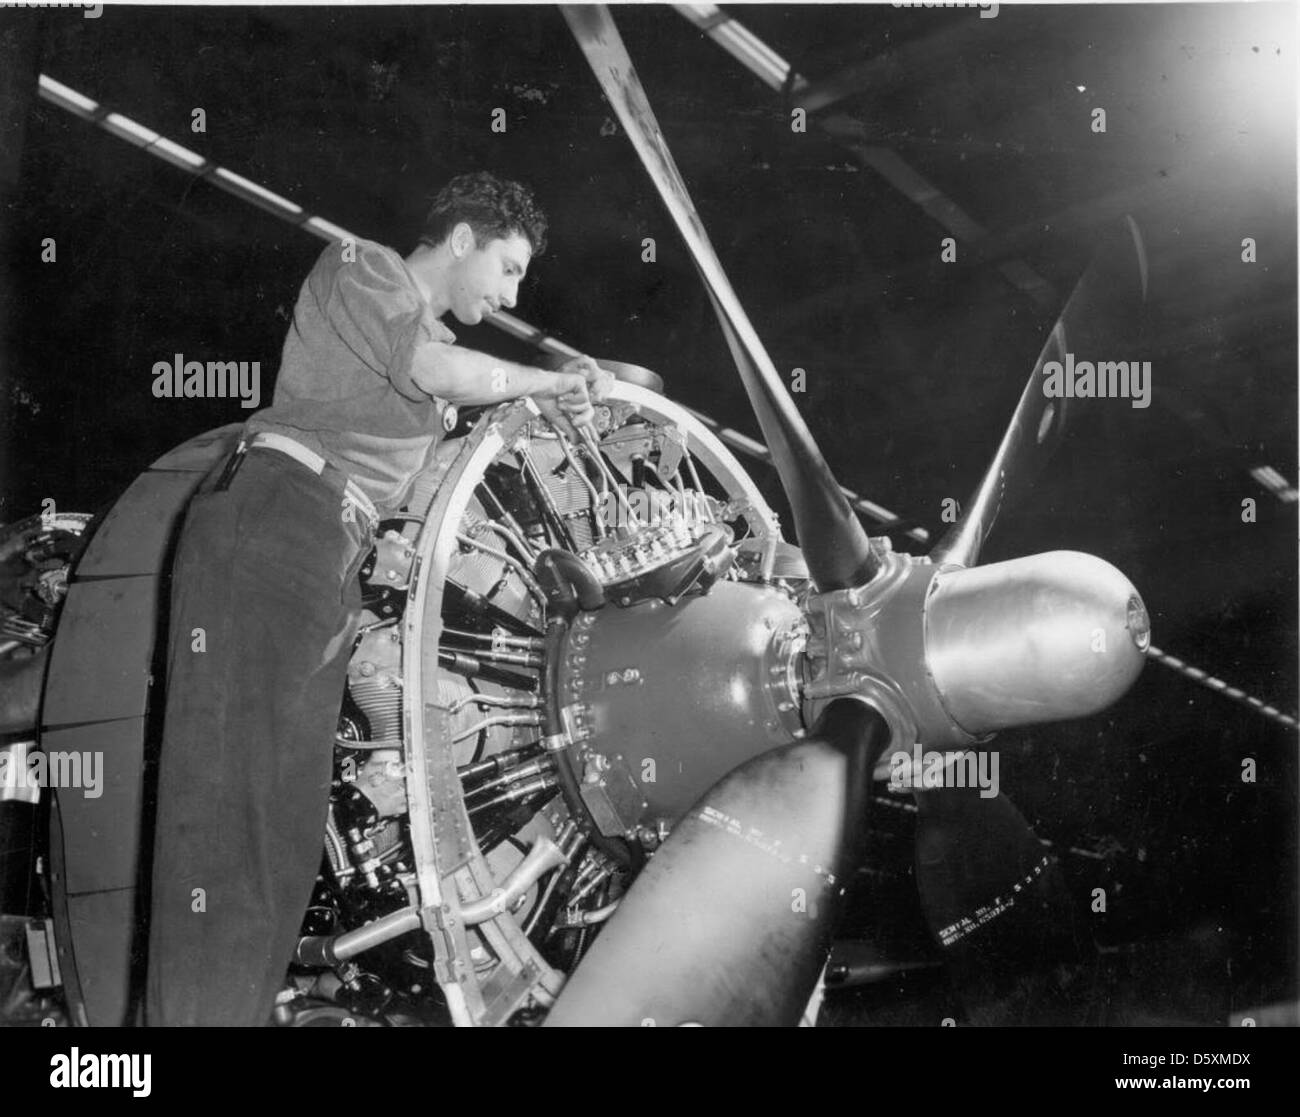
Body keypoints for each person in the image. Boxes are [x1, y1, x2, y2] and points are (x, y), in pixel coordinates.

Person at [146, 171, 612, 1026]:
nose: (512, 294)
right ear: (463, 238)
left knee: (280, 842)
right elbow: (430, 367)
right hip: (275, 522)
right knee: (225, 815)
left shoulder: (438, 357)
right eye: (508, 269)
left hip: (329, 559)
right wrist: (542, 381)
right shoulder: (364, 269)